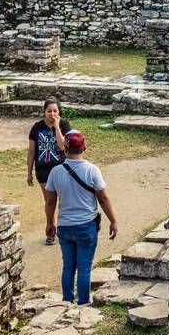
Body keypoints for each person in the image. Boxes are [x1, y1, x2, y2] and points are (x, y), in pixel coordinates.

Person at [43, 130, 118, 305]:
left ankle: (67, 300)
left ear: (65, 148)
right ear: (83, 148)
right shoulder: (92, 170)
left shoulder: (55, 172)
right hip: (86, 225)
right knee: (84, 267)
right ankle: (84, 302)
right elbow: (103, 198)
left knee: (68, 265)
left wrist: (49, 223)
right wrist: (113, 220)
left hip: (64, 226)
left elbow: (50, 202)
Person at [28, 98, 75, 247]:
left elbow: (63, 147)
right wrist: (29, 172)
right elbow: (31, 151)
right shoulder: (36, 127)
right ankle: (50, 229)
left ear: (59, 112)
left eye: (55, 111)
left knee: (64, 200)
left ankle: (65, 230)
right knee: (49, 201)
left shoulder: (64, 125)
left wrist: (57, 127)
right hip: (43, 170)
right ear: (44, 112)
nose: (52, 113)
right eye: (49, 111)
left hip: (61, 168)